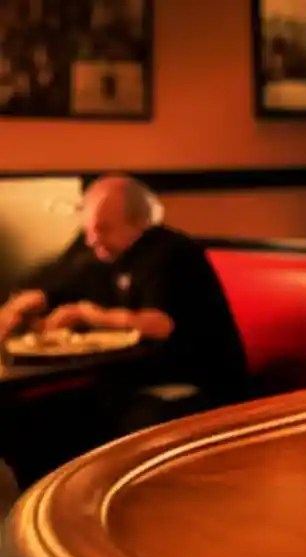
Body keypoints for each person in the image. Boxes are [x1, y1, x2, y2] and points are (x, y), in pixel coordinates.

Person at [0, 174, 249, 427]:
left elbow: (160, 324)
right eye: (88, 229)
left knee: (119, 422)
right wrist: (19, 307)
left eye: (104, 229)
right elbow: (54, 281)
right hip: (126, 378)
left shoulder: (170, 252)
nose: (92, 239)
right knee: (27, 415)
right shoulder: (97, 245)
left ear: (140, 223)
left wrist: (87, 315)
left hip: (193, 382)